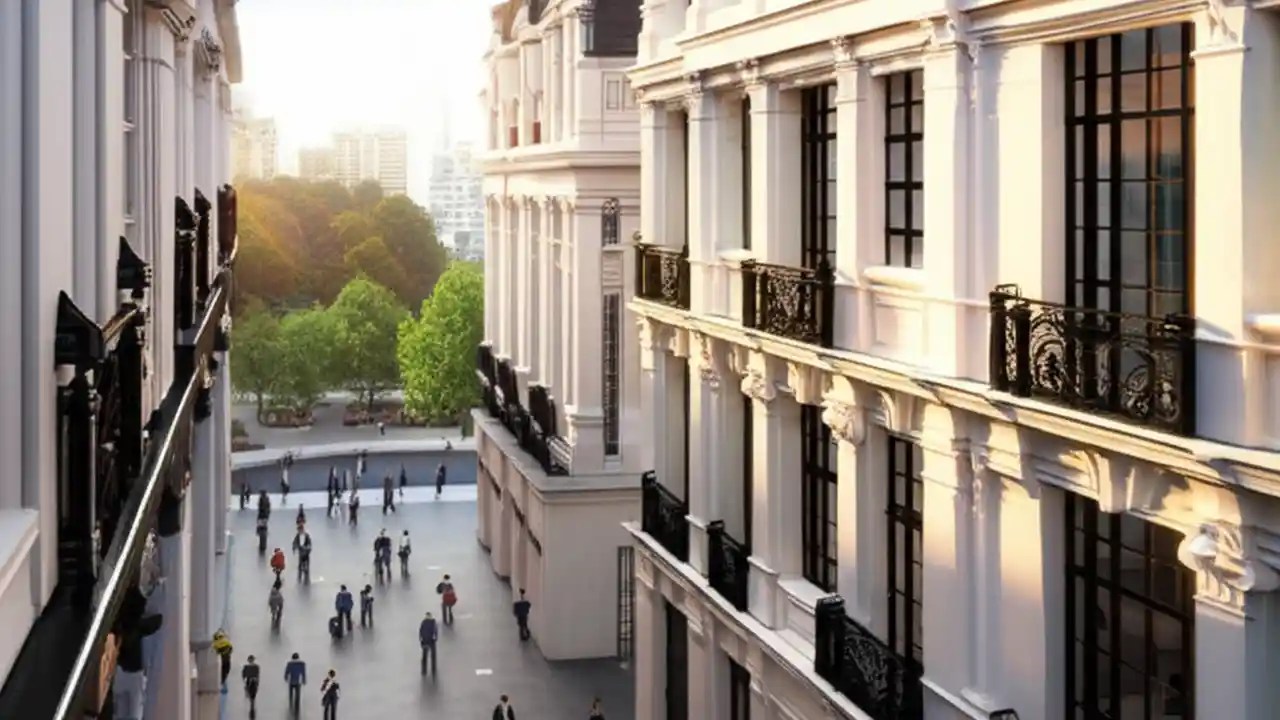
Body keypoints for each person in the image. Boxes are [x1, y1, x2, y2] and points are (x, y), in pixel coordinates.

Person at [418, 612, 438, 676]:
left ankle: (424, 670)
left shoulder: (423, 622)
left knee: (424, 656)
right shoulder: (433, 622)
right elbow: (435, 631)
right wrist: (435, 638)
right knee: (433, 655)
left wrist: (421, 640)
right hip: (431, 641)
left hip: (425, 641)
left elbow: (420, 631)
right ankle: (433, 669)